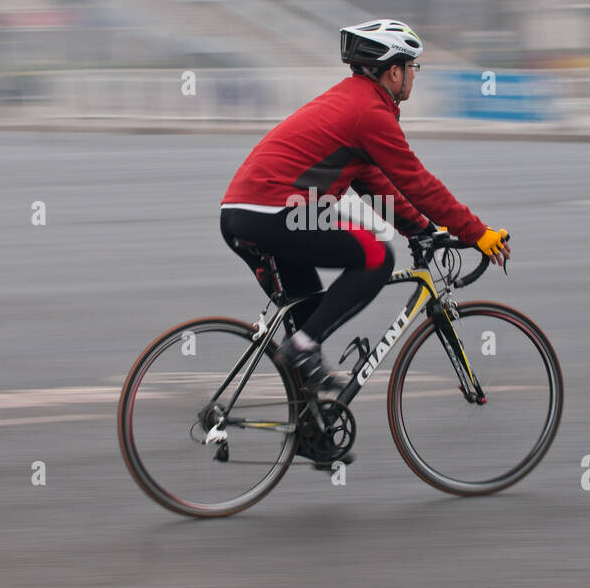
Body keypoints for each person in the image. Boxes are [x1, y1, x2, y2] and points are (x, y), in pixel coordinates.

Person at [219, 19, 511, 393]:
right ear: (394, 71)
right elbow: (418, 183)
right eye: (413, 68)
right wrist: (476, 233)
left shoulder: (350, 100)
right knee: (375, 257)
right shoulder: (369, 113)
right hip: (276, 212)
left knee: (310, 314)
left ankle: (311, 431)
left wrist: (421, 230)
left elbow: (371, 182)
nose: (414, 76)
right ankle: (302, 348)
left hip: (244, 214)